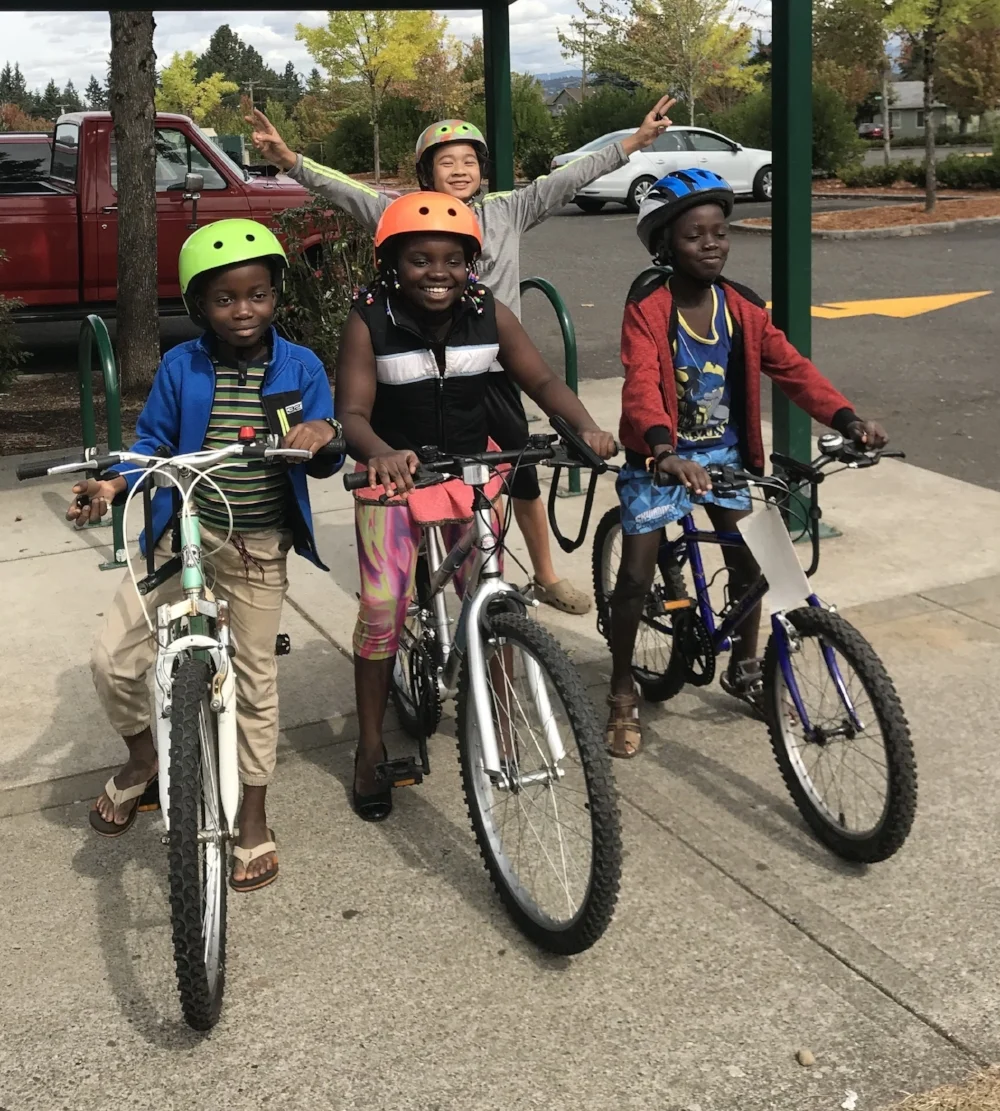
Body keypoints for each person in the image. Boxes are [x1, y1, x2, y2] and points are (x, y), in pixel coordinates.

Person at [246, 98, 674, 615]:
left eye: (469, 160)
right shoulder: (399, 216)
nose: (460, 170)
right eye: (446, 162)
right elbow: (346, 190)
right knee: (424, 471)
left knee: (518, 470)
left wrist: (630, 143)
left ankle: (543, 574)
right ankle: (427, 580)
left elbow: (565, 180)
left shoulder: (505, 210)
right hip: (422, 371)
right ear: (426, 172)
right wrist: (291, 161)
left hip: (493, 370)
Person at [67, 219, 342, 891]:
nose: (242, 310)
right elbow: (153, 446)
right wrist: (111, 483)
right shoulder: (180, 366)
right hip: (178, 535)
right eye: (224, 299)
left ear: (275, 296)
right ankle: (144, 760)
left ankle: (253, 811)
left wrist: (323, 432)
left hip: (256, 545)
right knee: (112, 658)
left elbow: (328, 452)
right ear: (198, 307)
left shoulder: (299, 365)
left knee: (254, 678)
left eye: (256, 295)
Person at [335, 191, 616, 820]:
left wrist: (586, 427)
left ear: (471, 264)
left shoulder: (488, 312)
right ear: (391, 264)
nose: (438, 273)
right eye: (419, 260)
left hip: (470, 466)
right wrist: (380, 452)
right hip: (392, 471)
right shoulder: (369, 316)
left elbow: (539, 380)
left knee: (492, 594)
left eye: (453, 260)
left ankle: (506, 729)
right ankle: (371, 746)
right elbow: (351, 412)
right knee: (383, 608)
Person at [606, 169, 888, 758]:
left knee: (751, 565)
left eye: (721, 232)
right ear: (665, 245)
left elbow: (792, 368)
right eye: (694, 236)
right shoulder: (649, 307)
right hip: (662, 457)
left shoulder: (742, 308)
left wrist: (846, 420)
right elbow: (642, 384)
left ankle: (747, 666)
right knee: (635, 574)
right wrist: (662, 450)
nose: (711, 244)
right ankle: (623, 685)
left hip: (726, 457)